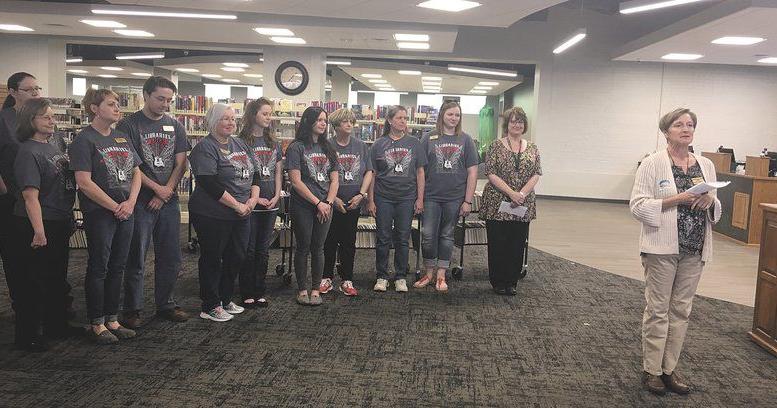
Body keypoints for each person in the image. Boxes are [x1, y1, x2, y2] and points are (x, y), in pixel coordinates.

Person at [630, 108, 721, 396]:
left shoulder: (705, 164)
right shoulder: (652, 164)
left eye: (690, 124)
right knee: (658, 311)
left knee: (681, 310)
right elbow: (637, 205)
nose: (686, 128)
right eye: (679, 124)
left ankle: (669, 369)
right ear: (666, 130)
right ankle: (652, 370)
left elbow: (715, 204)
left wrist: (709, 200)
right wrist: (677, 199)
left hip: (695, 249)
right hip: (662, 249)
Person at [70, 89, 142, 344]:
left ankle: (112, 318)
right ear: (94, 108)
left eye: (117, 104)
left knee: (118, 265)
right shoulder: (84, 140)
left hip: (126, 211)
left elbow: (136, 172)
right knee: (99, 266)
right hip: (101, 213)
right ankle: (97, 322)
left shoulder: (122, 137)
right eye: (111, 104)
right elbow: (84, 182)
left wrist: (131, 202)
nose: (117, 108)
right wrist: (115, 206)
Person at [117, 76, 190, 329]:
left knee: (171, 256)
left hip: (168, 200)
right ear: (145, 95)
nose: (165, 104)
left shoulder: (175, 126)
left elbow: (181, 162)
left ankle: (166, 303)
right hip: (140, 200)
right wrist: (157, 190)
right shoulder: (129, 125)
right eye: (160, 98)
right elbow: (131, 165)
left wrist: (166, 191)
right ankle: (132, 308)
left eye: (169, 100)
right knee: (136, 255)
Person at [11, 98, 80, 351]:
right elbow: (30, 196)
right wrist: (39, 231)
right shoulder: (28, 151)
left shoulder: (54, 144)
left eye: (52, 116)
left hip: (59, 219)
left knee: (56, 278)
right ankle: (28, 335)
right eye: (45, 117)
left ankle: (56, 325)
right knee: (34, 281)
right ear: (31, 121)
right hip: (38, 223)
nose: (52, 121)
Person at [188, 103, 260, 322]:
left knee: (236, 256)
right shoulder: (205, 147)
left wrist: (252, 201)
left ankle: (225, 298)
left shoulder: (240, 144)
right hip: (213, 214)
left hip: (242, 212)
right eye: (225, 119)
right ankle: (210, 304)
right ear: (213, 121)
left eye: (232, 118)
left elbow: (255, 175)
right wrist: (237, 205)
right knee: (213, 257)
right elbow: (208, 182)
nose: (231, 122)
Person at [416, 101, 478, 292]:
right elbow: (420, 170)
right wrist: (419, 198)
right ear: (442, 114)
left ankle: (442, 275)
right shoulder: (428, 138)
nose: (453, 118)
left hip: (455, 197)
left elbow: (473, 172)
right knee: (427, 235)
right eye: (450, 114)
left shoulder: (466, 140)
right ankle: (428, 272)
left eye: (457, 115)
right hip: (431, 196)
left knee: (447, 235)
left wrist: (467, 201)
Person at [479, 107, 541, 296]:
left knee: (517, 243)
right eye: (513, 121)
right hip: (497, 202)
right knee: (499, 242)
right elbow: (490, 172)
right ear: (507, 125)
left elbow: (537, 173)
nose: (517, 125)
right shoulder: (495, 146)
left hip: (522, 204)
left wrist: (521, 194)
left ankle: (511, 281)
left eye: (520, 121)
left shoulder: (532, 148)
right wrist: (511, 193)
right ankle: (498, 281)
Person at [367, 105, 426, 293]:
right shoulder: (378, 144)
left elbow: (420, 172)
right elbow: (372, 174)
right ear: (390, 120)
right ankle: (382, 276)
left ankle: (400, 276)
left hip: (406, 198)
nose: (403, 121)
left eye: (405, 118)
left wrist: (420, 199)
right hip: (383, 197)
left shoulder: (414, 143)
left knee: (402, 237)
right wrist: (371, 200)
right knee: (383, 238)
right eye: (399, 118)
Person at [286, 106, 338, 306]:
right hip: (304, 205)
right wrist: (317, 202)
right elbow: (296, 181)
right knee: (303, 246)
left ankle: (316, 288)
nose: (323, 123)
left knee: (319, 247)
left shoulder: (328, 148)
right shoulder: (296, 147)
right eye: (318, 120)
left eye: (325, 120)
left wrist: (328, 203)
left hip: (325, 205)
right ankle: (302, 289)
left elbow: (334, 180)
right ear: (309, 122)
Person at [0, 72, 41, 314]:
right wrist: (4, 188)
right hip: (11, 200)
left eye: (38, 88)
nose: (36, 93)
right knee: (17, 259)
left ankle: (43, 309)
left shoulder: (39, 120)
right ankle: (23, 311)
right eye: (30, 89)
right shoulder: (4, 120)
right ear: (14, 92)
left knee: (38, 258)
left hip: (37, 200)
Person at [320, 108, 373, 297]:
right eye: (345, 122)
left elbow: (369, 171)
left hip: (353, 202)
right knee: (329, 241)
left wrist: (361, 194)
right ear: (335, 126)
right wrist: (333, 199)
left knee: (349, 242)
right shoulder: (326, 145)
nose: (349, 124)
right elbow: (321, 176)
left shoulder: (360, 146)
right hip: (331, 202)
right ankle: (326, 277)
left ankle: (347, 279)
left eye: (351, 121)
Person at [238, 97, 283, 308]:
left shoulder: (273, 142)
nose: (268, 117)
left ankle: (259, 290)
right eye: (264, 113)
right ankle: (246, 290)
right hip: (250, 201)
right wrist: (254, 198)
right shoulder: (241, 141)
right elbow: (240, 174)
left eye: (270, 113)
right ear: (253, 115)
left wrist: (276, 194)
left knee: (263, 249)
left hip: (271, 201)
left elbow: (277, 171)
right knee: (249, 248)